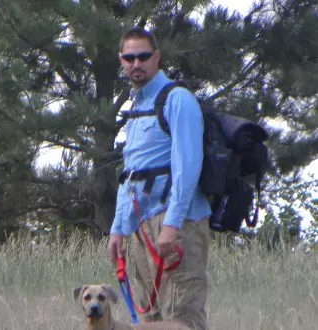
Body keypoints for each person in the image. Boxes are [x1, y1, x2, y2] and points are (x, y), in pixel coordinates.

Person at [107, 27, 212, 330]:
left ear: (157, 57)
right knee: (150, 320)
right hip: (142, 227)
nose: (136, 63)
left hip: (176, 224)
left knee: (183, 318)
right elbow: (130, 175)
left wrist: (172, 224)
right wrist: (118, 229)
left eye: (142, 56)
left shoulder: (177, 100)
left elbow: (187, 166)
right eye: (129, 57)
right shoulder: (137, 108)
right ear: (122, 60)